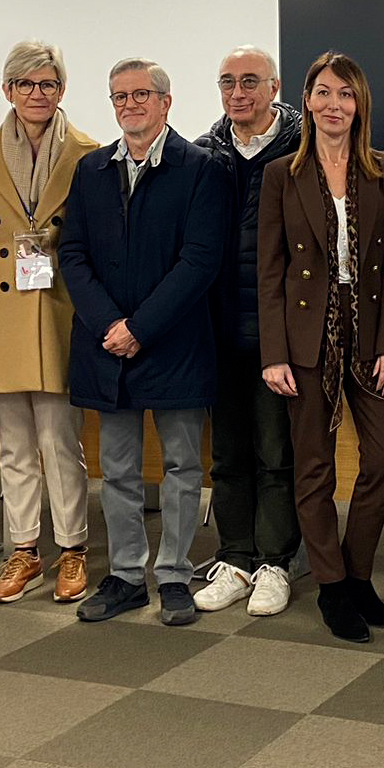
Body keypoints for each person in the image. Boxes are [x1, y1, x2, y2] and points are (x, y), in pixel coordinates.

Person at [61, 58, 231, 627]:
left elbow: (200, 260)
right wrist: (110, 325)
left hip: (174, 341)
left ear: (165, 102)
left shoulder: (201, 168)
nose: (129, 105)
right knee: (117, 469)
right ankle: (127, 577)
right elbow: (73, 253)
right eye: (119, 96)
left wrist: (140, 328)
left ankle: (175, 575)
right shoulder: (91, 169)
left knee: (182, 466)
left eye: (141, 94)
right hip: (108, 345)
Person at [258, 53, 384, 642]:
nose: (333, 105)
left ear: (360, 103)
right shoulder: (281, 174)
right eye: (323, 92)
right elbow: (270, 271)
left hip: (370, 336)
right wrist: (274, 353)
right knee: (314, 467)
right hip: (304, 337)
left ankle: (358, 575)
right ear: (306, 100)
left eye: (345, 94)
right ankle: (331, 585)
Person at [0, 41, 101, 604]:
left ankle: (72, 548)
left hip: (59, 301)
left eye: (47, 84)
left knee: (60, 438)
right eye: (25, 84)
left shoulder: (88, 152)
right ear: (7, 90)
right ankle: (23, 551)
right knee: (13, 443)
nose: (36, 94)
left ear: (62, 90)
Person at [194, 45, 304, 617]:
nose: (238, 92)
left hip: (277, 335)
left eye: (250, 81)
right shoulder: (203, 153)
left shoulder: (304, 149)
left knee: (275, 456)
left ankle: (275, 563)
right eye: (227, 82)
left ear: (274, 88)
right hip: (218, 333)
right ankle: (235, 559)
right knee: (228, 457)